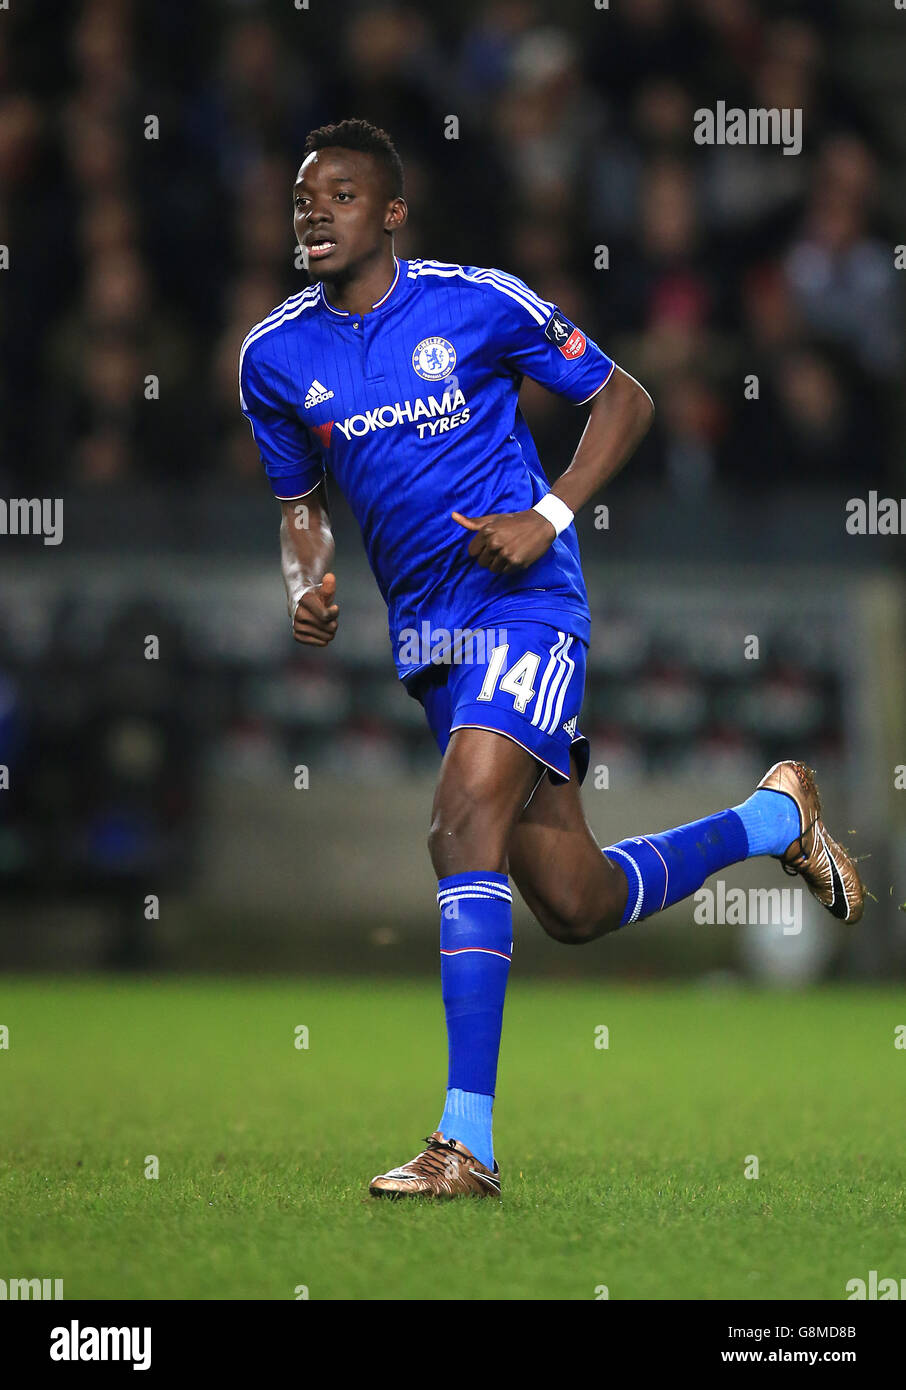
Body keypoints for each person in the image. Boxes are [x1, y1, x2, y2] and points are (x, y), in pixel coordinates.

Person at [239, 119, 863, 1201]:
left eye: (339, 194)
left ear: (391, 212)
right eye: (302, 197)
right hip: (432, 639)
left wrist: (548, 514)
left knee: (458, 825)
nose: (314, 212)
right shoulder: (273, 357)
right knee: (575, 902)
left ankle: (465, 1144)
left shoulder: (477, 303)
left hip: (527, 604)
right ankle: (775, 819)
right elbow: (300, 506)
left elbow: (626, 398)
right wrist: (308, 582)